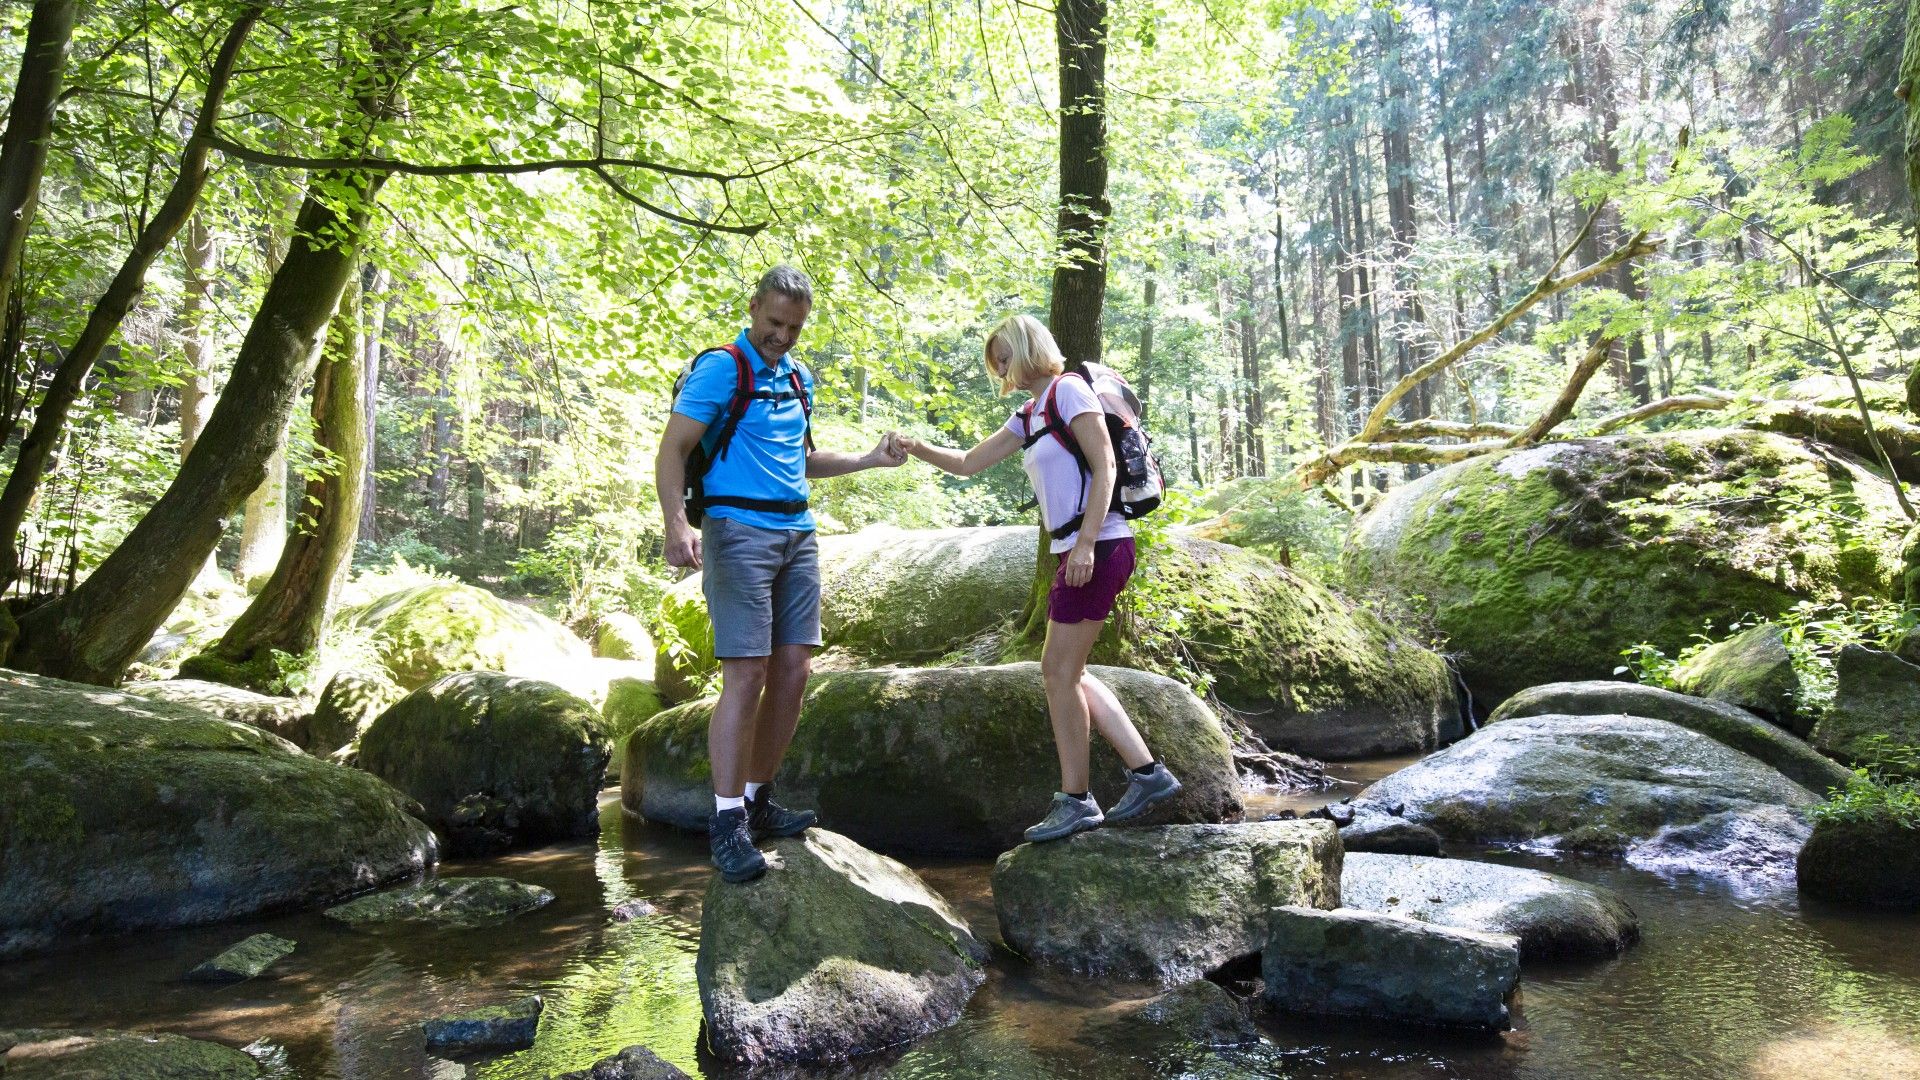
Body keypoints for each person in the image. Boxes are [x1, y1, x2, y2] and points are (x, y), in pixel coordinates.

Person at [654, 265, 906, 882]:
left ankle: (759, 799)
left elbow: (804, 459)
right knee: (747, 673)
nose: (782, 336)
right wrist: (676, 525)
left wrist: (871, 459)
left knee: (794, 671)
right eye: (773, 323)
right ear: (753, 309)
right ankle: (726, 818)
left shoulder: (798, 378)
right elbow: (674, 448)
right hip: (737, 533)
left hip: (799, 534)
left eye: (794, 327)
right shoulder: (720, 369)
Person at [897, 314, 1180, 842]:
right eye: (995, 361)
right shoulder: (1030, 414)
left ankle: (1078, 800)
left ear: (1028, 348)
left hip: (1099, 544)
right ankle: (1147, 774)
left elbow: (1105, 468)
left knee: (1057, 673)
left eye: (1004, 355)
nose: (999, 367)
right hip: (1077, 549)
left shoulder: (1069, 392)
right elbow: (965, 463)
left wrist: (1088, 544)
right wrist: (916, 447)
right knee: (1069, 671)